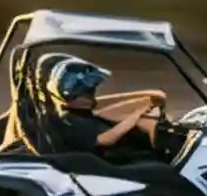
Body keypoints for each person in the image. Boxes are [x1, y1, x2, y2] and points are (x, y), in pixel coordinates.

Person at [45, 55, 173, 159]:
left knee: (152, 118)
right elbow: (106, 139)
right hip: (116, 161)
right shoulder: (70, 121)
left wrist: (144, 102)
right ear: (72, 97)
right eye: (88, 93)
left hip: (129, 148)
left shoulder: (83, 109)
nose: (92, 95)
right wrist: (135, 115)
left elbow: (157, 96)